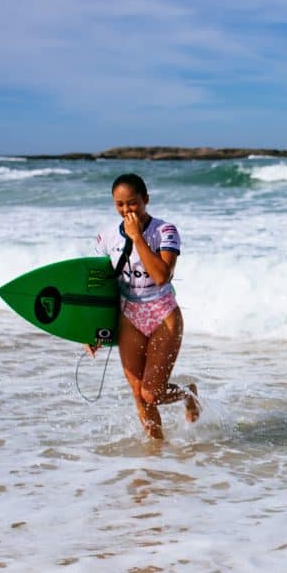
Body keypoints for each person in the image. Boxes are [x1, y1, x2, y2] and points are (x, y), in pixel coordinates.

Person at [88, 173, 199, 440]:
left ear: (145, 199)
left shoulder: (165, 231)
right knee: (139, 395)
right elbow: (102, 286)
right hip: (130, 317)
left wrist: (137, 238)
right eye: (120, 204)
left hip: (163, 315)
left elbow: (162, 275)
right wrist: (94, 330)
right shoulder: (105, 238)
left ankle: (189, 393)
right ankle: (157, 454)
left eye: (133, 203)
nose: (127, 210)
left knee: (153, 393)